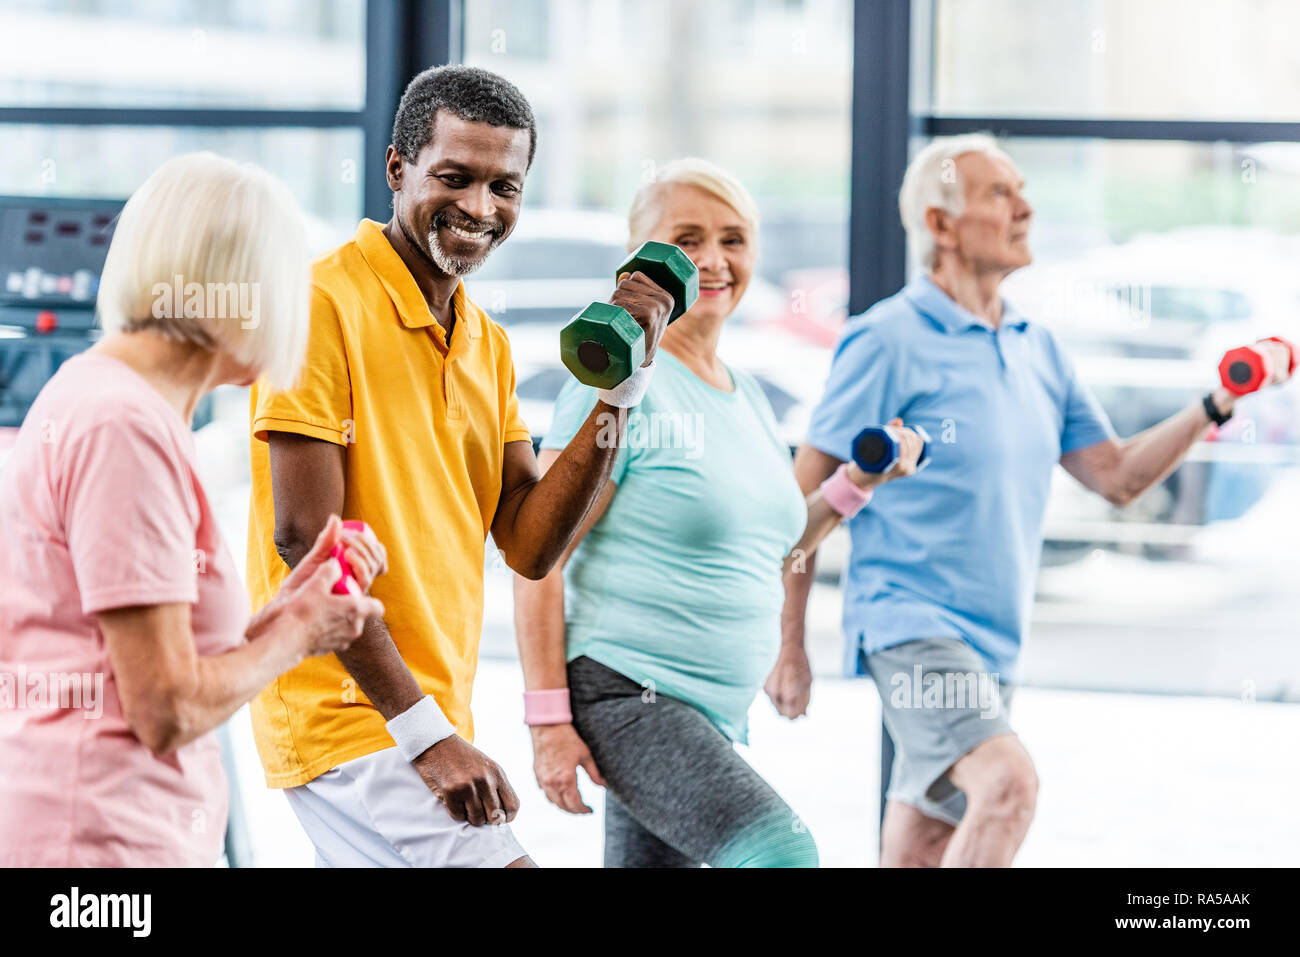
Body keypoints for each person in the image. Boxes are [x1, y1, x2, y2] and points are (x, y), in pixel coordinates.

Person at [771, 133, 1292, 868]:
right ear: (941, 225)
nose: (1027, 207)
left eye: (1022, 191)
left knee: (924, 846)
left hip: (995, 638)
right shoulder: (883, 340)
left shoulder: (1038, 347)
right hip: (911, 624)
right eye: (1000, 194)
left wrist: (1214, 401)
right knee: (1009, 784)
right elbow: (798, 509)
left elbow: (1115, 477)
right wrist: (789, 644)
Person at [245, 65, 676, 868]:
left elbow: (530, 542)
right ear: (397, 168)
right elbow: (306, 538)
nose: (480, 208)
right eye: (455, 177)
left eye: (503, 187)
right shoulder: (318, 305)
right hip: (353, 710)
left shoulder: (488, 343)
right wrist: (423, 735)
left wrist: (620, 391)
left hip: (425, 710)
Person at [513, 158, 925, 867]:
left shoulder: (746, 394)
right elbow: (537, 556)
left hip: (706, 710)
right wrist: (548, 719)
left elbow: (778, 543)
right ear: (638, 259)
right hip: (628, 691)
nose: (712, 259)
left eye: (732, 239)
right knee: (779, 852)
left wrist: (860, 480)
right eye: (686, 239)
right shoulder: (617, 384)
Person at [0, 153, 386, 867]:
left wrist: (287, 613)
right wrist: (299, 634)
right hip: (94, 853)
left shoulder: (112, 402)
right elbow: (167, 707)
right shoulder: (122, 427)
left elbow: (158, 661)